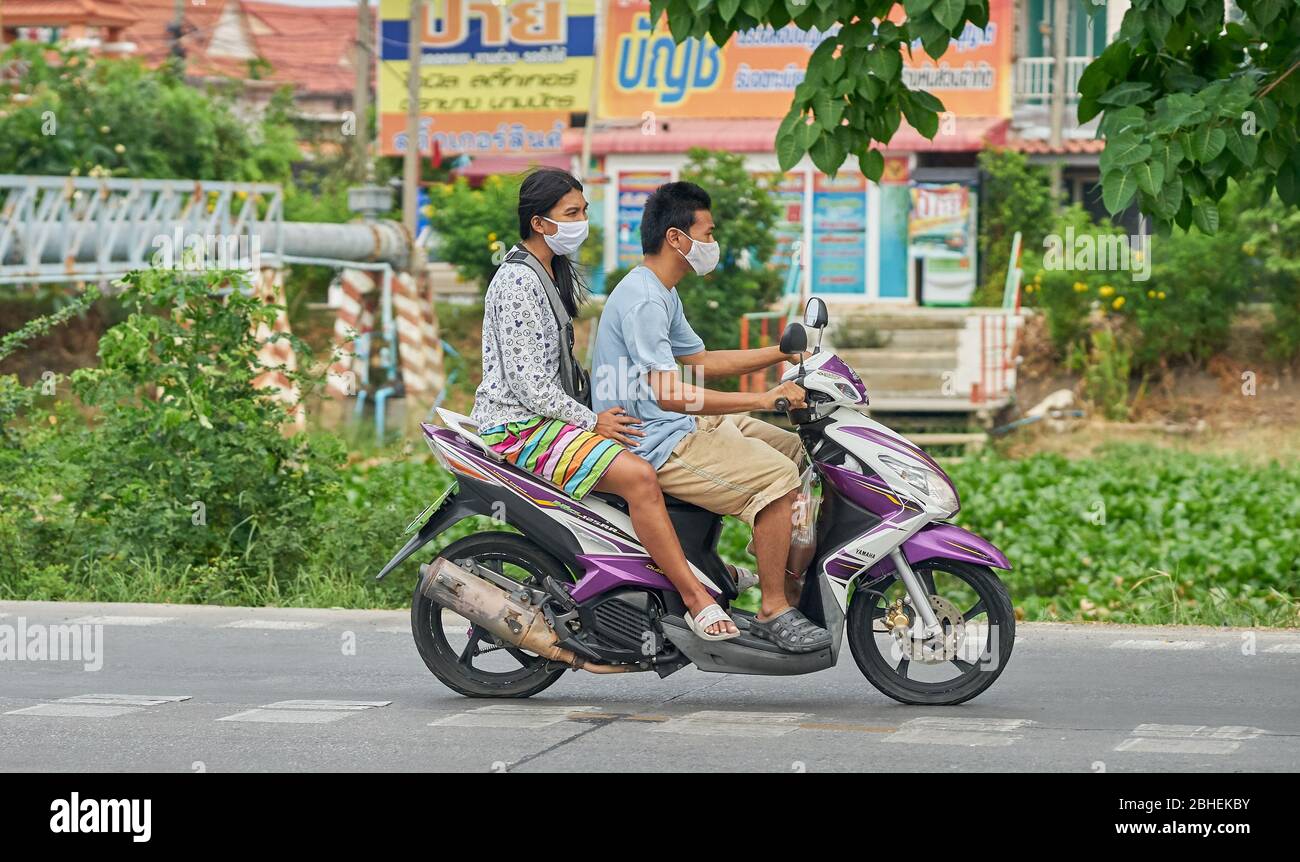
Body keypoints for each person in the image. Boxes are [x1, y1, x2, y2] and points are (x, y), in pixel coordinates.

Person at [469, 169, 741, 640]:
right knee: (639, 475)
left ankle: (700, 569)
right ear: (540, 223)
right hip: (519, 425)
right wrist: (591, 420)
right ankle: (697, 600)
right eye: (570, 214)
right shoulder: (517, 282)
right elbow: (529, 383)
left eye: (583, 211)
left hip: (548, 417)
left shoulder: (549, 272)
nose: (582, 222)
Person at [590, 181, 832, 653]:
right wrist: (763, 400)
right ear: (677, 238)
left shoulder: (661, 291)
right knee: (778, 476)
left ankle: (779, 563)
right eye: (707, 232)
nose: (712, 243)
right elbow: (672, 393)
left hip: (678, 422)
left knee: (798, 451)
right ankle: (775, 607)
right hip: (656, 439)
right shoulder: (643, 299)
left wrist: (781, 352)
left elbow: (702, 360)